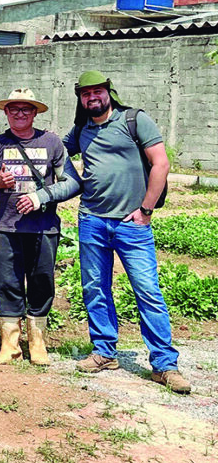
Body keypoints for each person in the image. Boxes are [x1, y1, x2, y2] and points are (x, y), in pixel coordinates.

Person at [63, 71, 190, 394]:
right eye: (85, 93)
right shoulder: (81, 130)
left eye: (97, 91)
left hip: (132, 224)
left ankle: (164, 364)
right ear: (80, 99)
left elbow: (160, 164)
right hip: (92, 219)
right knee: (95, 288)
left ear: (109, 92)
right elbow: (51, 148)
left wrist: (146, 210)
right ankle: (105, 352)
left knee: (147, 290)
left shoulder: (134, 120)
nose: (92, 97)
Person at [0, 88, 79, 366]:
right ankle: (9, 344)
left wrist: (41, 197)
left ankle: (38, 343)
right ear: (6, 113)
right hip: (5, 227)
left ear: (35, 112)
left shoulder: (52, 143)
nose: (20, 114)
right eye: (14, 109)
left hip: (44, 226)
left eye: (26, 109)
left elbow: (72, 183)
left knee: (41, 282)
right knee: (6, 284)